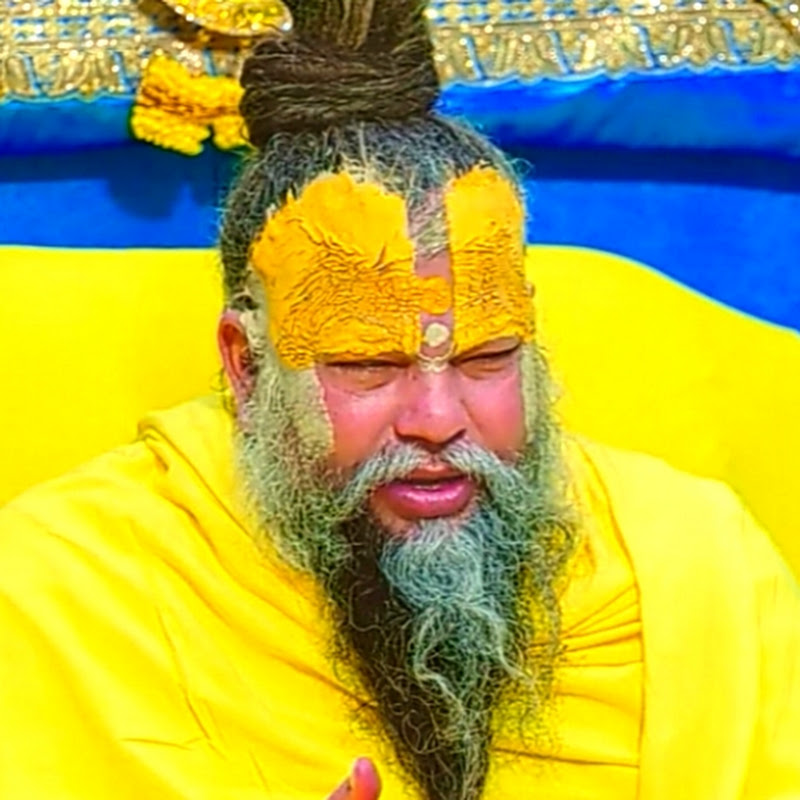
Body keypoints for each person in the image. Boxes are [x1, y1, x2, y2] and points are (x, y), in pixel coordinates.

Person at [1, 1, 798, 798]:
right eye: (368, 366)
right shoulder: (68, 591)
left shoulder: (700, 566)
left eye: (487, 358)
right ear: (246, 365)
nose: (438, 421)